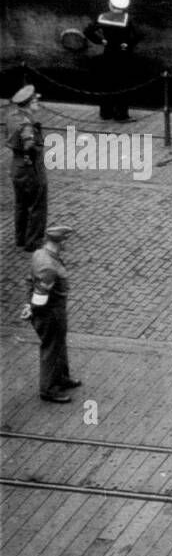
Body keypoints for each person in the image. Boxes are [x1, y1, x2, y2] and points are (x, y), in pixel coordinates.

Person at [27, 223, 81, 404]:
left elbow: (30, 280)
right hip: (51, 312)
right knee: (51, 348)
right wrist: (32, 308)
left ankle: (61, 377)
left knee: (59, 345)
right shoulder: (49, 266)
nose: (68, 244)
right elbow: (41, 296)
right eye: (66, 240)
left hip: (52, 310)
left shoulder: (39, 254)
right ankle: (48, 389)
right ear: (60, 241)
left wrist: (28, 304)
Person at [83, 0, 135, 122]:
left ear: (110, 5)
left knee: (106, 83)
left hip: (108, 53)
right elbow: (137, 34)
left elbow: (88, 31)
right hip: (123, 55)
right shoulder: (127, 19)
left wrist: (101, 41)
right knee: (122, 84)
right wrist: (127, 44)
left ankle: (106, 113)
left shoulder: (103, 17)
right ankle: (121, 114)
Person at [6, 85, 47, 252]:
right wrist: (35, 148)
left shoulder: (12, 117)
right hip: (30, 168)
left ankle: (21, 238)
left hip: (17, 166)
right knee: (37, 205)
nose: (38, 103)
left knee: (21, 204)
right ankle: (34, 242)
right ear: (29, 103)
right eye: (36, 101)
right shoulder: (27, 123)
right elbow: (28, 145)